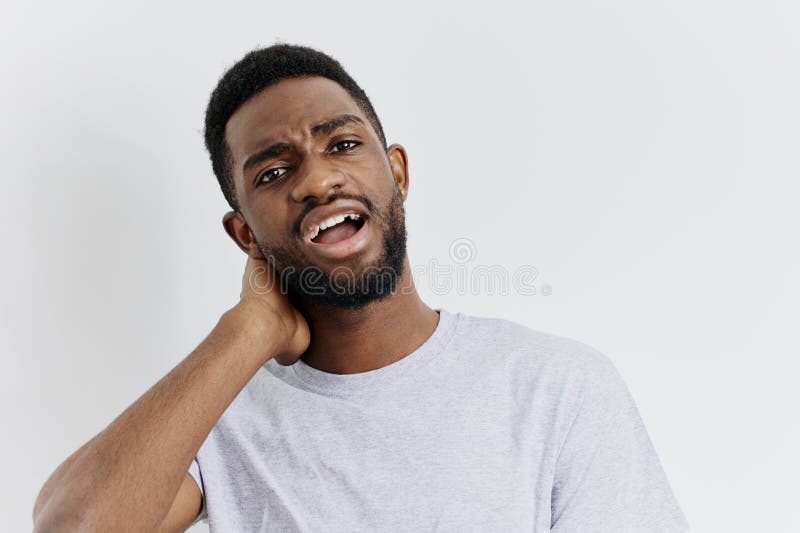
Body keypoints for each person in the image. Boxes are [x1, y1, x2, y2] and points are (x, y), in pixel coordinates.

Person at [32, 44, 690, 532]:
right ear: (244, 234)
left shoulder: (555, 386)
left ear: (396, 171)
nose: (317, 181)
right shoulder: (217, 423)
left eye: (341, 144)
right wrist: (247, 330)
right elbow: (71, 525)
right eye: (273, 173)